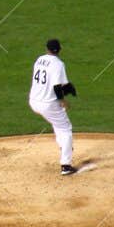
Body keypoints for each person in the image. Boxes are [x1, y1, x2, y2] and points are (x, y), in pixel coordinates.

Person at [30, 38, 77, 175]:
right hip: (48, 104)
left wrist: (67, 88)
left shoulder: (39, 60)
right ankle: (66, 166)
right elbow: (57, 86)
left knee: (57, 123)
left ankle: (64, 146)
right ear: (59, 49)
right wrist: (63, 99)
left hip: (34, 101)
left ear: (47, 49)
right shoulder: (58, 64)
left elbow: (54, 83)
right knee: (65, 128)